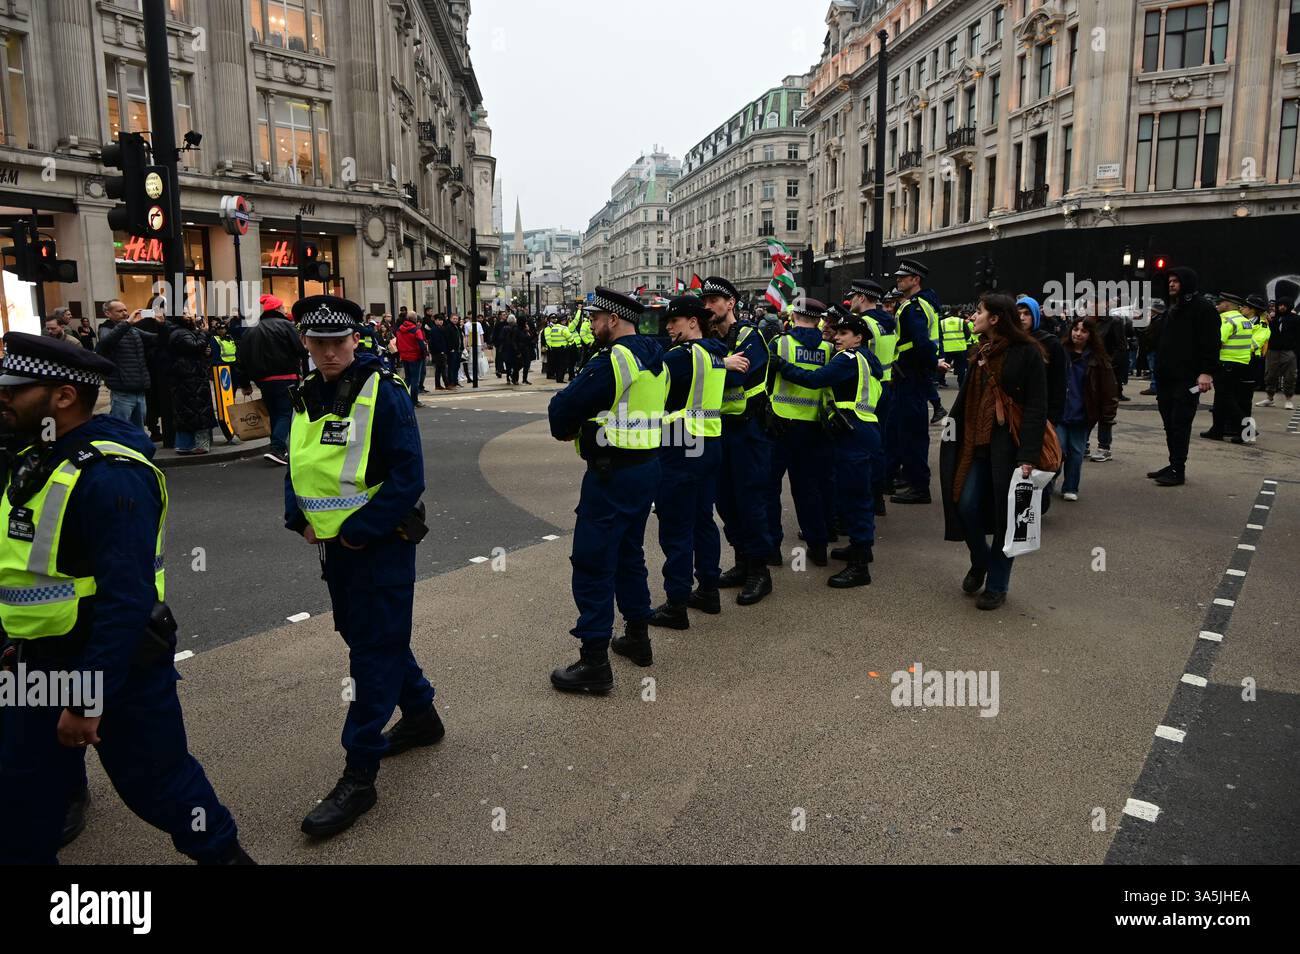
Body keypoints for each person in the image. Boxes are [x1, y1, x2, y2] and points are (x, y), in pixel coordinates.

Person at [0, 333, 252, 864]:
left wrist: (88, 699)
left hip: (115, 667)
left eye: (14, 389)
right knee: (21, 794)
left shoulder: (111, 475)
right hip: (34, 663)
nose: (3, 398)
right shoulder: (36, 457)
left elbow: (124, 601)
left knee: (161, 788)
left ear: (64, 396)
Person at [284, 296, 440, 837]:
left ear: (357, 339)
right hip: (336, 545)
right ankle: (421, 714)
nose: (327, 351)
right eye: (316, 341)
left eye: (337, 341)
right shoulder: (308, 392)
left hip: (379, 543)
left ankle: (360, 772)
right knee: (366, 635)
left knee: (373, 651)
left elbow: (408, 475)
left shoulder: (385, 391)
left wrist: (359, 529)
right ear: (305, 342)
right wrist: (296, 517)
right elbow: (297, 460)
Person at [547, 288, 666, 692]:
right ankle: (637, 636)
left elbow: (563, 409)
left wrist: (570, 428)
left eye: (596, 318)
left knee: (593, 562)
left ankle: (594, 661)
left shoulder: (616, 359)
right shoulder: (657, 357)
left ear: (613, 319)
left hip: (611, 474)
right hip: (646, 469)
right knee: (629, 555)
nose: (593, 325)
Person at [938, 294, 1048, 610]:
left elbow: (1037, 408)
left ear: (996, 318)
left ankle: (997, 586)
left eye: (980, 311)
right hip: (975, 447)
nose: (974, 316)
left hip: (1010, 451)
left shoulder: (1027, 353)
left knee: (1007, 520)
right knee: (965, 504)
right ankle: (981, 560)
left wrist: (1028, 455)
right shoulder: (980, 353)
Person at [641, 296, 739, 636]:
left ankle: (677, 604)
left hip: (680, 445)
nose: (669, 327)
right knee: (702, 521)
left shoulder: (679, 357)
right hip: (709, 443)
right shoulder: (714, 354)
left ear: (694, 322)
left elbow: (651, 385)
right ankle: (709, 590)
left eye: (675, 321)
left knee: (676, 526)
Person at [770, 309, 883, 587]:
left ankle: (859, 567)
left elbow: (814, 379)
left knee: (855, 497)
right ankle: (860, 549)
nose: (837, 338)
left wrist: (780, 364)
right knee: (857, 494)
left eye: (844, 333)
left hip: (852, 430)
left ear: (858, 337)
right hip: (866, 429)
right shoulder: (869, 359)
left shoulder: (847, 358)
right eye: (836, 332)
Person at [704, 275, 775, 605]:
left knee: (750, 500)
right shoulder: (712, 338)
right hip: (723, 429)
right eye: (704, 302)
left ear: (730, 304)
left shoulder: (748, 334)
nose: (708, 307)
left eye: (714, 301)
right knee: (726, 501)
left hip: (748, 431)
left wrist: (711, 365)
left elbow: (739, 372)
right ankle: (742, 561)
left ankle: (760, 571)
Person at [765, 297, 836, 567]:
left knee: (770, 488)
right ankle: (818, 547)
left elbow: (766, 382)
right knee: (808, 489)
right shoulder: (829, 349)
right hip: (814, 427)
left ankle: (772, 548)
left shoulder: (780, 344)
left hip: (780, 424)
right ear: (818, 320)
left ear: (793, 317)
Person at [1146, 268, 1219, 486]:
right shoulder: (1172, 309)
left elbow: (1211, 343)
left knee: (1180, 422)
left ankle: (1179, 468)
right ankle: (1173, 463)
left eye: (1176, 281)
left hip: (1188, 379)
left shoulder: (1203, 309)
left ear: (1186, 283)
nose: (1171, 284)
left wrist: (1206, 372)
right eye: (1170, 281)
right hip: (1167, 377)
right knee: (1169, 422)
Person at [890, 259, 941, 504]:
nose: (898, 280)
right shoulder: (917, 304)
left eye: (903, 278)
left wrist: (930, 365)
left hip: (911, 375)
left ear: (915, 280)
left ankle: (919, 486)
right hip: (911, 373)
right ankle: (912, 479)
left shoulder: (915, 307)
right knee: (909, 430)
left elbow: (920, 343)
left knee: (912, 433)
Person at [236, 294, 306, 466]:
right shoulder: (286, 326)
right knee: (285, 413)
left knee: (274, 413)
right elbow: (300, 350)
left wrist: (244, 384)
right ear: (277, 309)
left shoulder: (251, 331)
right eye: (282, 307)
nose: (284, 310)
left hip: (263, 380)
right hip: (286, 376)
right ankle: (277, 447)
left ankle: (279, 449)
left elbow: (241, 360)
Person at [848, 280, 897, 516]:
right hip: (885, 385)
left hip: (867, 389)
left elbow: (858, 356)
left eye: (853, 297)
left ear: (862, 297)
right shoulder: (889, 322)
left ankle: (866, 497)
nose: (851, 301)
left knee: (861, 446)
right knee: (879, 443)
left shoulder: (864, 324)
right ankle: (878, 496)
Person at [1056, 317, 1118, 501]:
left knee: (1076, 452)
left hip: (1082, 413)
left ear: (1090, 335)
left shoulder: (1098, 359)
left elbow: (1108, 389)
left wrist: (1107, 415)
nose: (1078, 334)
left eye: (1083, 331)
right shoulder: (1060, 352)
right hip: (1060, 411)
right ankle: (1047, 485)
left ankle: (1070, 487)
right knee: (1057, 449)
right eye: (1075, 329)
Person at [1202, 293, 1255, 444]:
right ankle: (1217, 430)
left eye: (1220, 303)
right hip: (1241, 363)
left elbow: (1217, 341)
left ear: (1227, 304)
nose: (1217, 306)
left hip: (1226, 363)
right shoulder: (1244, 320)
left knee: (1225, 398)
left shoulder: (1226, 319)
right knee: (1222, 399)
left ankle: (1248, 429)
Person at [96, 300, 154, 429]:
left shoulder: (133, 330)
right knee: (121, 428)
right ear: (108, 313)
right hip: (122, 390)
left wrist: (162, 324)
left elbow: (154, 339)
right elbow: (107, 342)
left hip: (139, 388)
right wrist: (127, 323)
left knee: (138, 428)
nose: (125, 313)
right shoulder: (105, 328)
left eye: (125, 310)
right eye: (119, 311)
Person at [168, 315, 217, 455]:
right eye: (185, 313)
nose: (190, 315)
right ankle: (196, 445)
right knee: (195, 412)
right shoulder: (180, 333)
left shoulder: (181, 332)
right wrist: (205, 332)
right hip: (190, 378)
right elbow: (194, 346)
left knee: (190, 412)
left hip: (190, 376)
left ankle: (186, 444)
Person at [1257, 281, 1298, 410]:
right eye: (1279, 305)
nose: (1281, 307)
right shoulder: (1272, 319)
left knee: (1290, 376)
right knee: (1270, 375)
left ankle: (1289, 399)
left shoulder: (1295, 319)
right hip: (1273, 350)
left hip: (1288, 351)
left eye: (1284, 305)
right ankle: (1269, 398)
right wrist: (1269, 319)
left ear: (1289, 306)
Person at [395, 311, 428, 406]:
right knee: (415, 380)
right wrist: (424, 354)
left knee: (407, 378)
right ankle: (414, 400)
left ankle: (403, 398)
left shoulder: (399, 329)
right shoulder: (416, 330)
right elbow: (421, 344)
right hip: (415, 357)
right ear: (415, 319)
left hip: (405, 356)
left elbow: (398, 343)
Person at [1139, 299, 1167, 396]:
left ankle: (1154, 387)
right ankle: (1156, 386)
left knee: (1154, 369)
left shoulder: (1158, 321)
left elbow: (1153, 336)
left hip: (1154, 349)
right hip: (1153, 348)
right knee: (1154, 369)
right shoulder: (1158, 320)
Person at [442, 312, 463, 388]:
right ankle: (451, 382)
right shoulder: (449, 327)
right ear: (450, 319)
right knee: (451, 366)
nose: (455, 320)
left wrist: (462, 348)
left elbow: (460, 338)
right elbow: (447, 339)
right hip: (452, 350)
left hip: (458, 350)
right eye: (454, 318)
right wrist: (451, 349)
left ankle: (455, 381)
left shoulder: (457, 327)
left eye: (456, 319)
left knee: (457, 366)